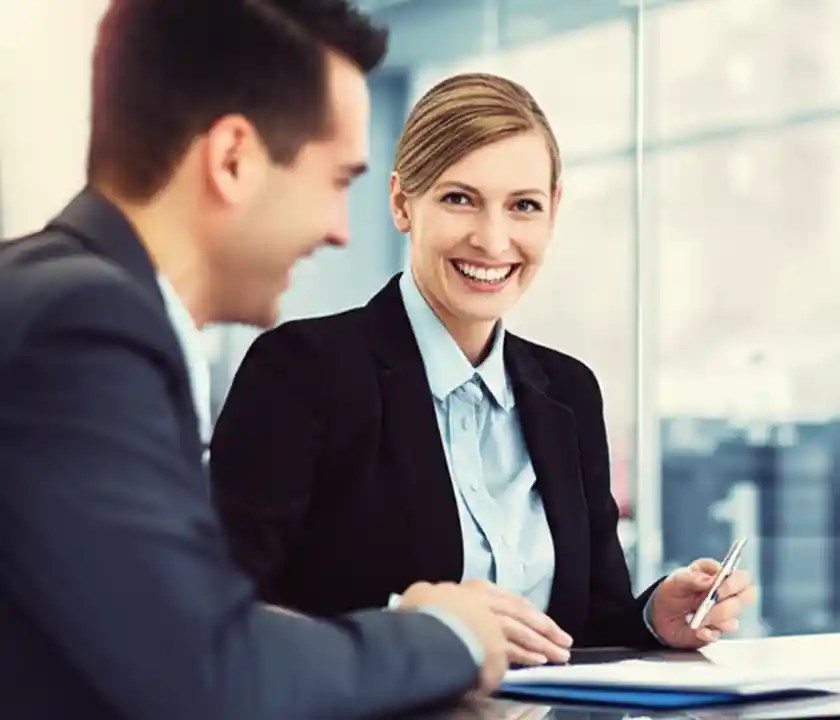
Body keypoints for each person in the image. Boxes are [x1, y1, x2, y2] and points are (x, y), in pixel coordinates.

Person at [0, 2, 512, 717]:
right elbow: (207, 677)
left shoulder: (48, 293)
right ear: (233, 159)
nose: (339, 232)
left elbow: (160, 625)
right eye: (337, 181)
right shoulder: (83, 331)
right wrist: (444, 635)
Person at [209, 72, 757, 667]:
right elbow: (218, 609)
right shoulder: (302, 373)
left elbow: (583, 625)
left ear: (553, 212)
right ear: (401, 203)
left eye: (523, 206)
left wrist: (653, 618)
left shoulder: (569, 394)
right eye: (459, 199)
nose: (494, 241)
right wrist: (410, 626)